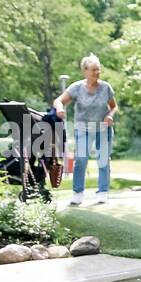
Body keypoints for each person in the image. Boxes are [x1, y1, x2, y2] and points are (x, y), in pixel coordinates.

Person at [53, 53, 118, 206]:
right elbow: (59, 101)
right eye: (94, 70)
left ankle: (102, 192)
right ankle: (78, 193)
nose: (97, 72)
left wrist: (110, 115)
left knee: (103, 161)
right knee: (81, 160)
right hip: (83, 128)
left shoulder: (106, 87)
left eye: (98, 69)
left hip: (103, 128)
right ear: (85, 71)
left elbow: (114, 107)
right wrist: (60, 108)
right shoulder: (76, 87)